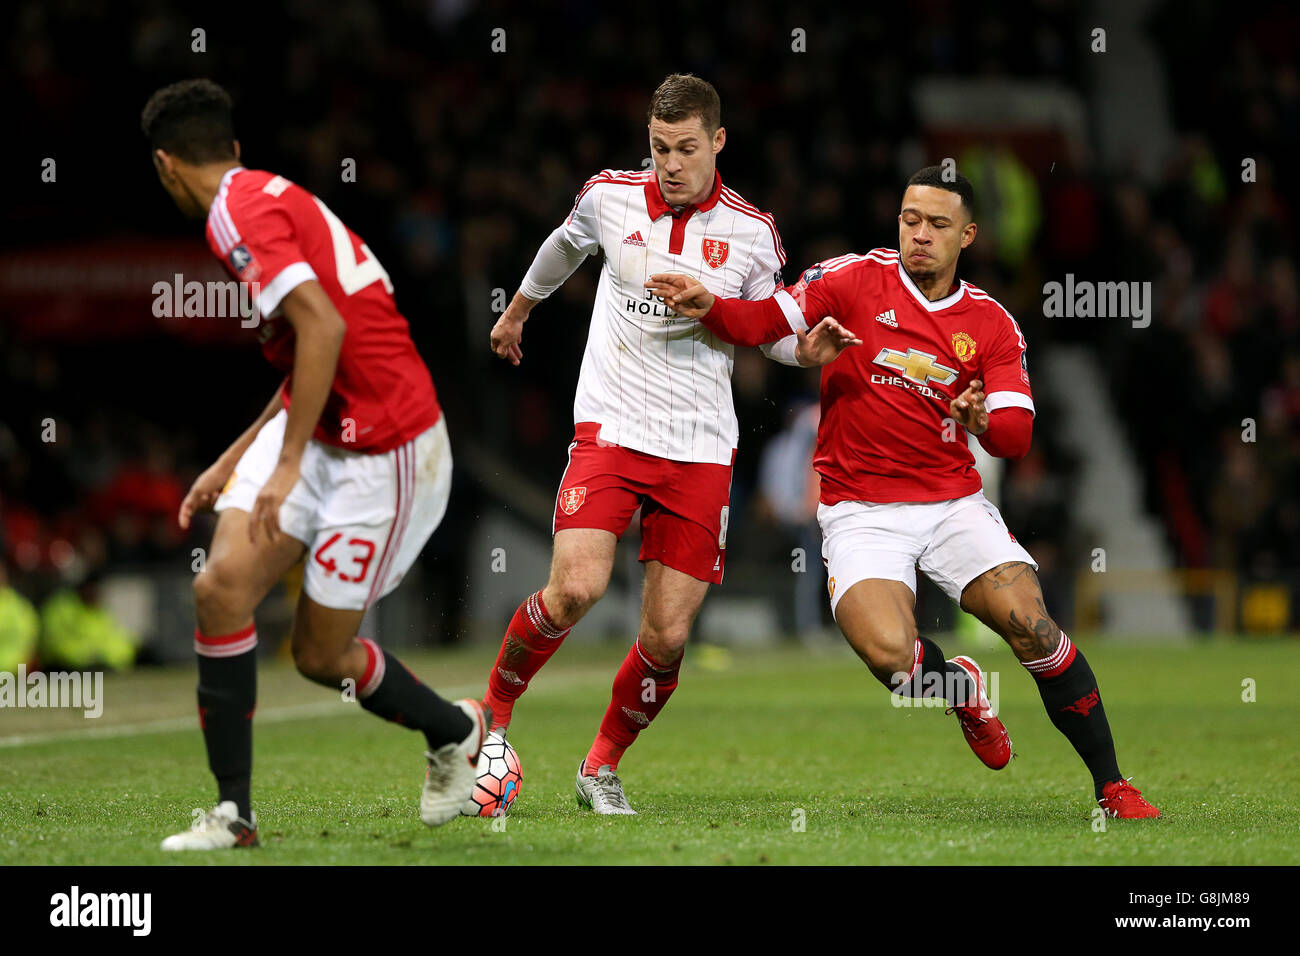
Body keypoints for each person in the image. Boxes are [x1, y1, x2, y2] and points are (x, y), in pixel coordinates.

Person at [646, 166, 1160, 819]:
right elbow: (766, 321)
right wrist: (710, 306)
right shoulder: (851, 278)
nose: (920, 235)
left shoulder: (991, 323)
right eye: (910, 220)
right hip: (858, 511)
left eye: (938, 225)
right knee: (893, 658)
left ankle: (1113, 787)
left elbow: (1016, 435)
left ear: (967, 235)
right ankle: (960, 692)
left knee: (1036, 630)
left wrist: (982, 422)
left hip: (951, 504)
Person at [483, 73, 856, 814]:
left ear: (718, 141)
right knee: (576, 590)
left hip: (699, 446)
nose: (672, 163)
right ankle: (489, 720)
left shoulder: (754, 232)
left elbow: (767, 330)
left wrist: (805, 354)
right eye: (660, 148)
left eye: (687, 148)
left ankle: (600, 768)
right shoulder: (609, 196)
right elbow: (564, 246)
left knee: (667, 634)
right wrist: (520, 310)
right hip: (611, 429)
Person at [141, 79, 488, 850]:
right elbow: (307, 346)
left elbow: (324, 327)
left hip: (386, 444)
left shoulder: (234, 215)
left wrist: (288, 461)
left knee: (318, 654)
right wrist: (237, 457)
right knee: (221, 587)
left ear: (166, 165)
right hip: (327, 424)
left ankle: (453, 730)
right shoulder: (264, 195)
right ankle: (234, 817)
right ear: (230, 147)